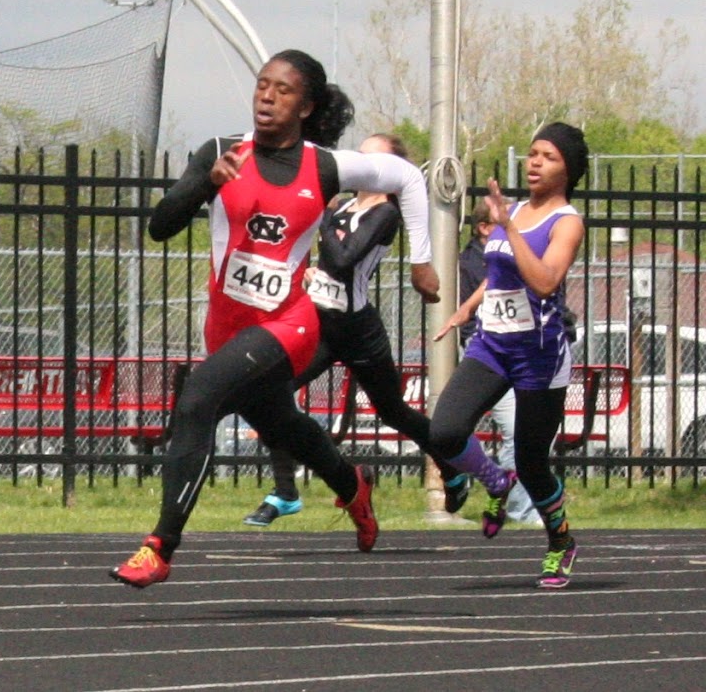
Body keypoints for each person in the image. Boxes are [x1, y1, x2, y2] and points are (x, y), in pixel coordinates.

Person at [110, 49, 437, 588]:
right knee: (281, 424)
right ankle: (353, 485)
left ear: (306, 106)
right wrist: (205, 183)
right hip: (226, 328)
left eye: (283, 90)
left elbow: (407, 177)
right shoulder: (220, 152)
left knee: (197, 400)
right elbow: (161, 226)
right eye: (263, 85)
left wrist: (421, 259)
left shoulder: (326, 166)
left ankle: (160, 546)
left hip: (290, 325)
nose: (267, 96)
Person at [242, 133, 464, 527]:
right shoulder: (346, 206)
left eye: (371, 159)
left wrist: (325, 215)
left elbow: (344, 259)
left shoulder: (385, 213)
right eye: (358, 157)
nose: (360, 165)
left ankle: (450, 467)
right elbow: (325, 256)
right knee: (269, 392)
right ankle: (284, 492)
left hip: (357, 329)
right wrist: (313, 272)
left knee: (392, 411)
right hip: (319, 323)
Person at [431, 122, 588, 589]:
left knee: (534, 461)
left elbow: (543, 280)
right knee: (444, 430)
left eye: (549, 157)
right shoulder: (513, 211)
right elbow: (496, 272)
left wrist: (509, 226)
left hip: (538, 355)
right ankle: (496, 482)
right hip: (491, 345)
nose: (535, 162)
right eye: (533, 153)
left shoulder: (566, 222)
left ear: (569, 170)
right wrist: (466, 308)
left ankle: (561, 542)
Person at [451, 199, 537, 526]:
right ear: (484, 228)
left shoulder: (514, 251)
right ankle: (517, 506)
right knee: (510, 426)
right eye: (500, 221)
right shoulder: (471, 262)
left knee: (527, 429)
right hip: (488, 348)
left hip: (522, 346)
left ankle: (515, 499)